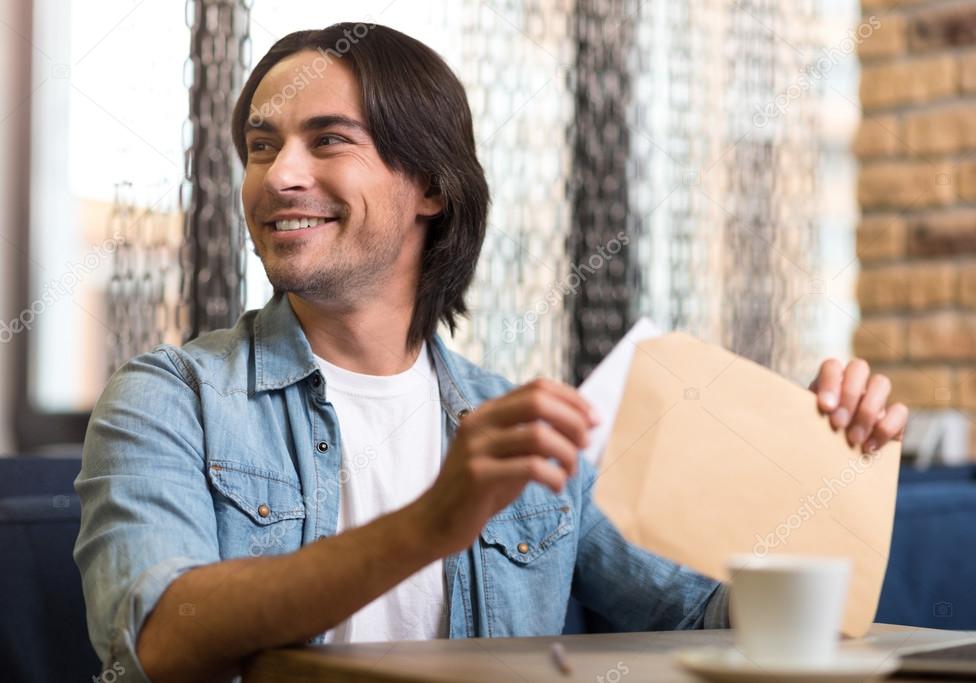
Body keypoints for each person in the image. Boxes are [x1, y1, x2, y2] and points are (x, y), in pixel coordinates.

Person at [74, 23, 908, 683]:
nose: (278, 175)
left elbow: (703, 623)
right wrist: (431, 522)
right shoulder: (168, 397)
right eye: (262, 145)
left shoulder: (522, 436)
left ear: (430, 187)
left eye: (327, 141)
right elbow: (153, 643)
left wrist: (815, 465)